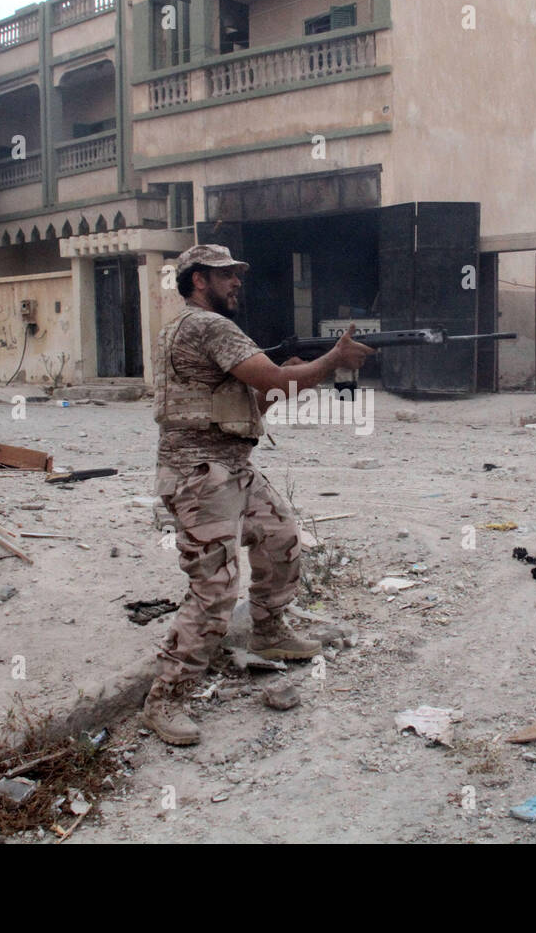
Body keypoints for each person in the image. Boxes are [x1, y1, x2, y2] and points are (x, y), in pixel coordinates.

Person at [141, 244, 375, 745]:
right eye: (226, 276)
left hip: (231, 465)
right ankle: (165, 697)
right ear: (198, 280)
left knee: (280, 538)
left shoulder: (190, 329)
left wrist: (302, 372)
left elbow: (259, 396)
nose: (236, 283)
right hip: (200, 475)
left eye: (237, 275)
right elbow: (271, 378)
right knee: (216, 589)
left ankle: (268, 631)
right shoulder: (207, 326)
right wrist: (332, 359)